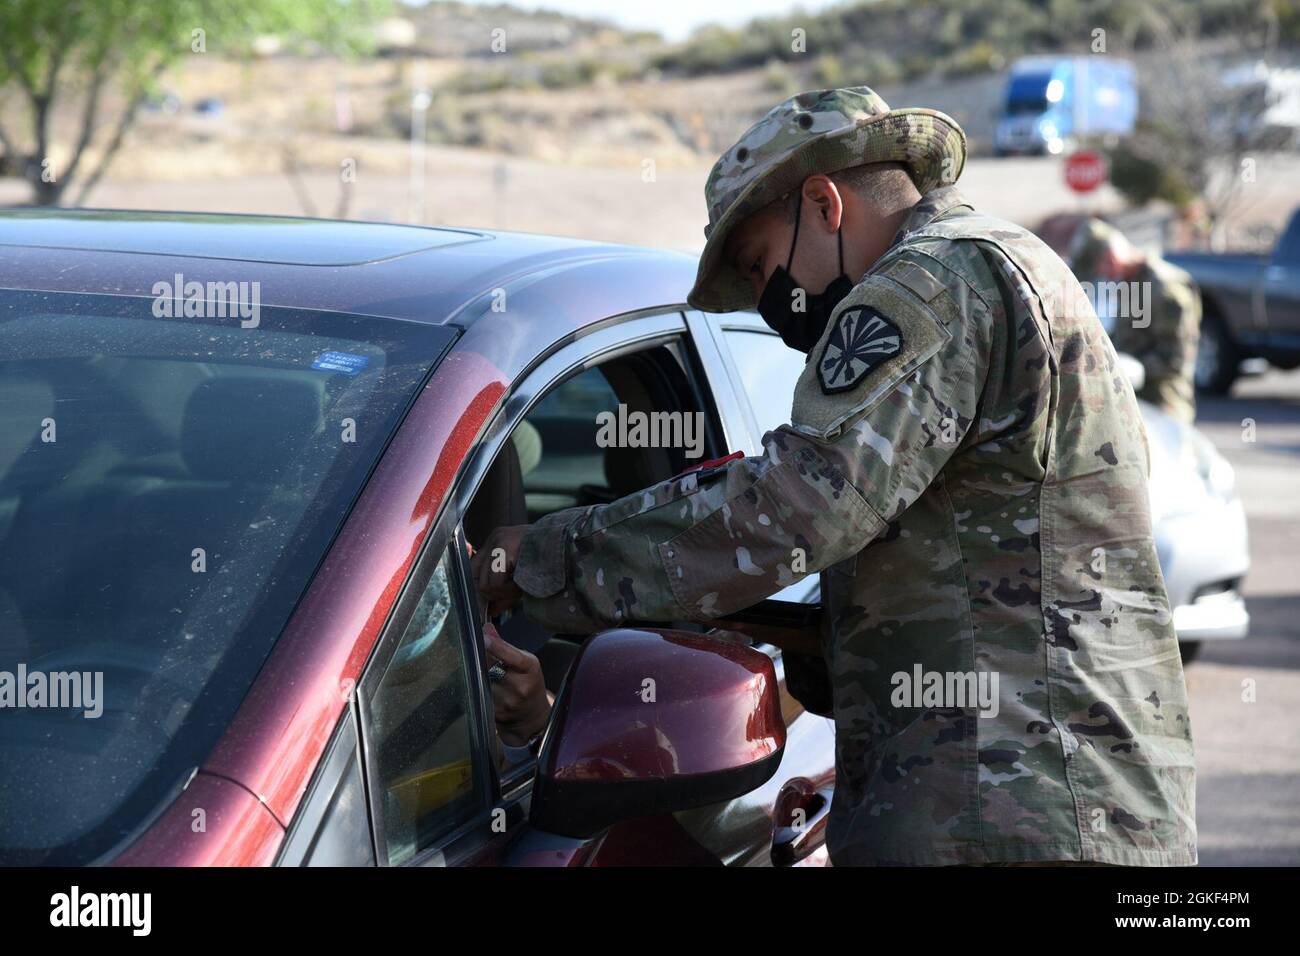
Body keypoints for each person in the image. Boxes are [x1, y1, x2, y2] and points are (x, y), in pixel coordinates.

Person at [473, 86, 1196, 866]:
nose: (767, 302)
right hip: (1056, 791)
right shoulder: (1002, 263)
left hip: (1007, 808)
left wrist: (542, 558)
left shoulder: (929, 284)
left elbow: (794, 509)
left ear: (823, 203)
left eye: (757, 265)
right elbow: (983, 557)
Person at [1062, 216, 1201, 425]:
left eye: (1099, 270)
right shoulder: (1129, 283)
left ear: (1111, 258)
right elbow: (1126, 338)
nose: (1102, 277)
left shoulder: (1164, 288)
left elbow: (1174, 359)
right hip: (1130, 406)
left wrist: (1128, 369)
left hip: (1163, 409)